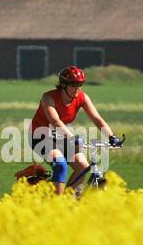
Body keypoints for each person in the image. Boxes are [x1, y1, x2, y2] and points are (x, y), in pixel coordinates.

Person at [28, 66, 121, 194]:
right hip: (40, 136)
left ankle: (67, 199)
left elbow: (96, 118)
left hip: (61, 136)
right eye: (74, 84)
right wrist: (72, 138)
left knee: (83, 166)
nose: (78, 88)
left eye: (80, 84)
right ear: (63, 84)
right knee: (60, 164)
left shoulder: (82, 98)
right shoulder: (48, 98)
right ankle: (56, 202)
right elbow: (56, 121)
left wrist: (111, 137)